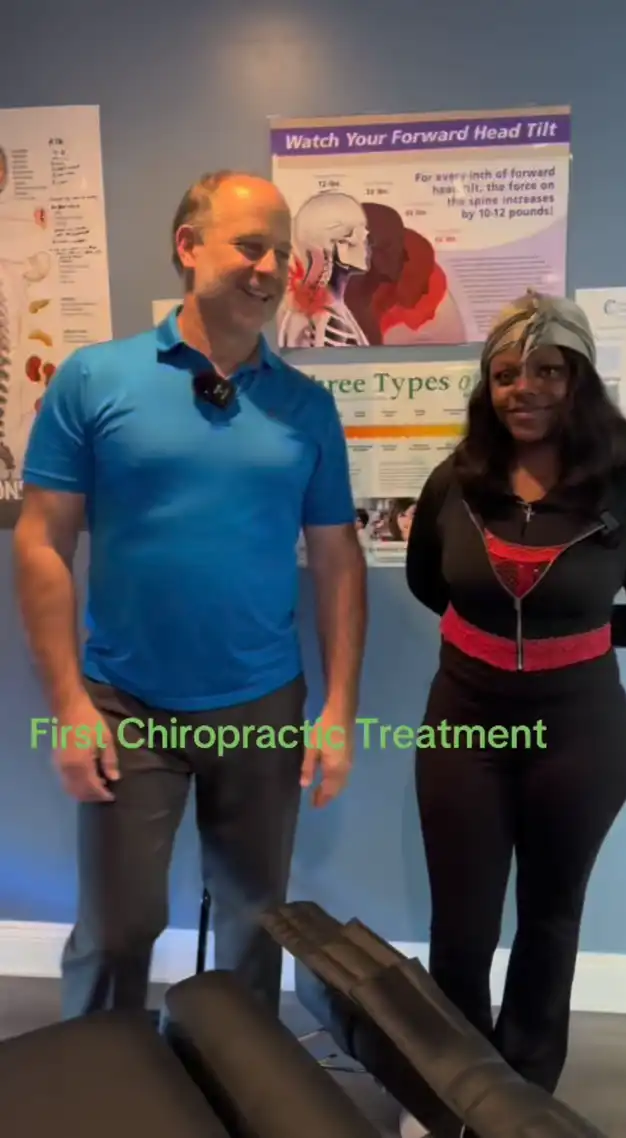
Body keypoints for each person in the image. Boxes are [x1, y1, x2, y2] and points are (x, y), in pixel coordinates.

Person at [13, 169, 367, 1020]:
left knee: (256, 926)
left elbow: (338, 559)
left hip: (263, 701)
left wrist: (339, 709)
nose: (269, 267)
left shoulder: (306, 407)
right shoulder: (95, 380)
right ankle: (102, 1077)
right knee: (118, 931)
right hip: (125, 702)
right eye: (249, 246)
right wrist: (68, 705)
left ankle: (240, 1076)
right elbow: (41, 542)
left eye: (280, 251)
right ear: (188, 246)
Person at [402, 290, 626, 1138]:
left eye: (547, 370)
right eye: (505, 374)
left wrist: (570, 630)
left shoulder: (625, 488)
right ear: (487, 386)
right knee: (460, 925)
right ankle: (450, 1096)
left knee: (550, 918)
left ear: (578, 380)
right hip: (466, 726)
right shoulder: (454, 480)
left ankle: (522, 1099)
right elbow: (428, 583)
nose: (524, 389)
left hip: (583, 735)